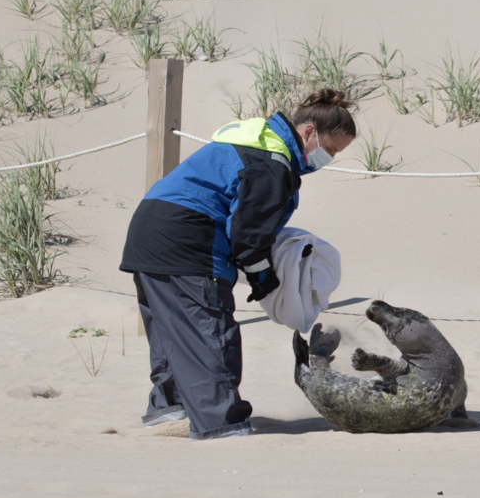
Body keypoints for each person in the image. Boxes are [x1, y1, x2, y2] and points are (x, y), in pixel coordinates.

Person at [119, 88, 356, 441]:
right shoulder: (271, 163)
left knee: (172, 327)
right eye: (331, 149)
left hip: (148, 232)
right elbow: (248, 233)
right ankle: (221, 424)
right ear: (308, 133)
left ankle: (169, 410)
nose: (329, 158)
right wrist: (262, 277)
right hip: (187, 239)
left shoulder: (252, 141)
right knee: (209, 330)